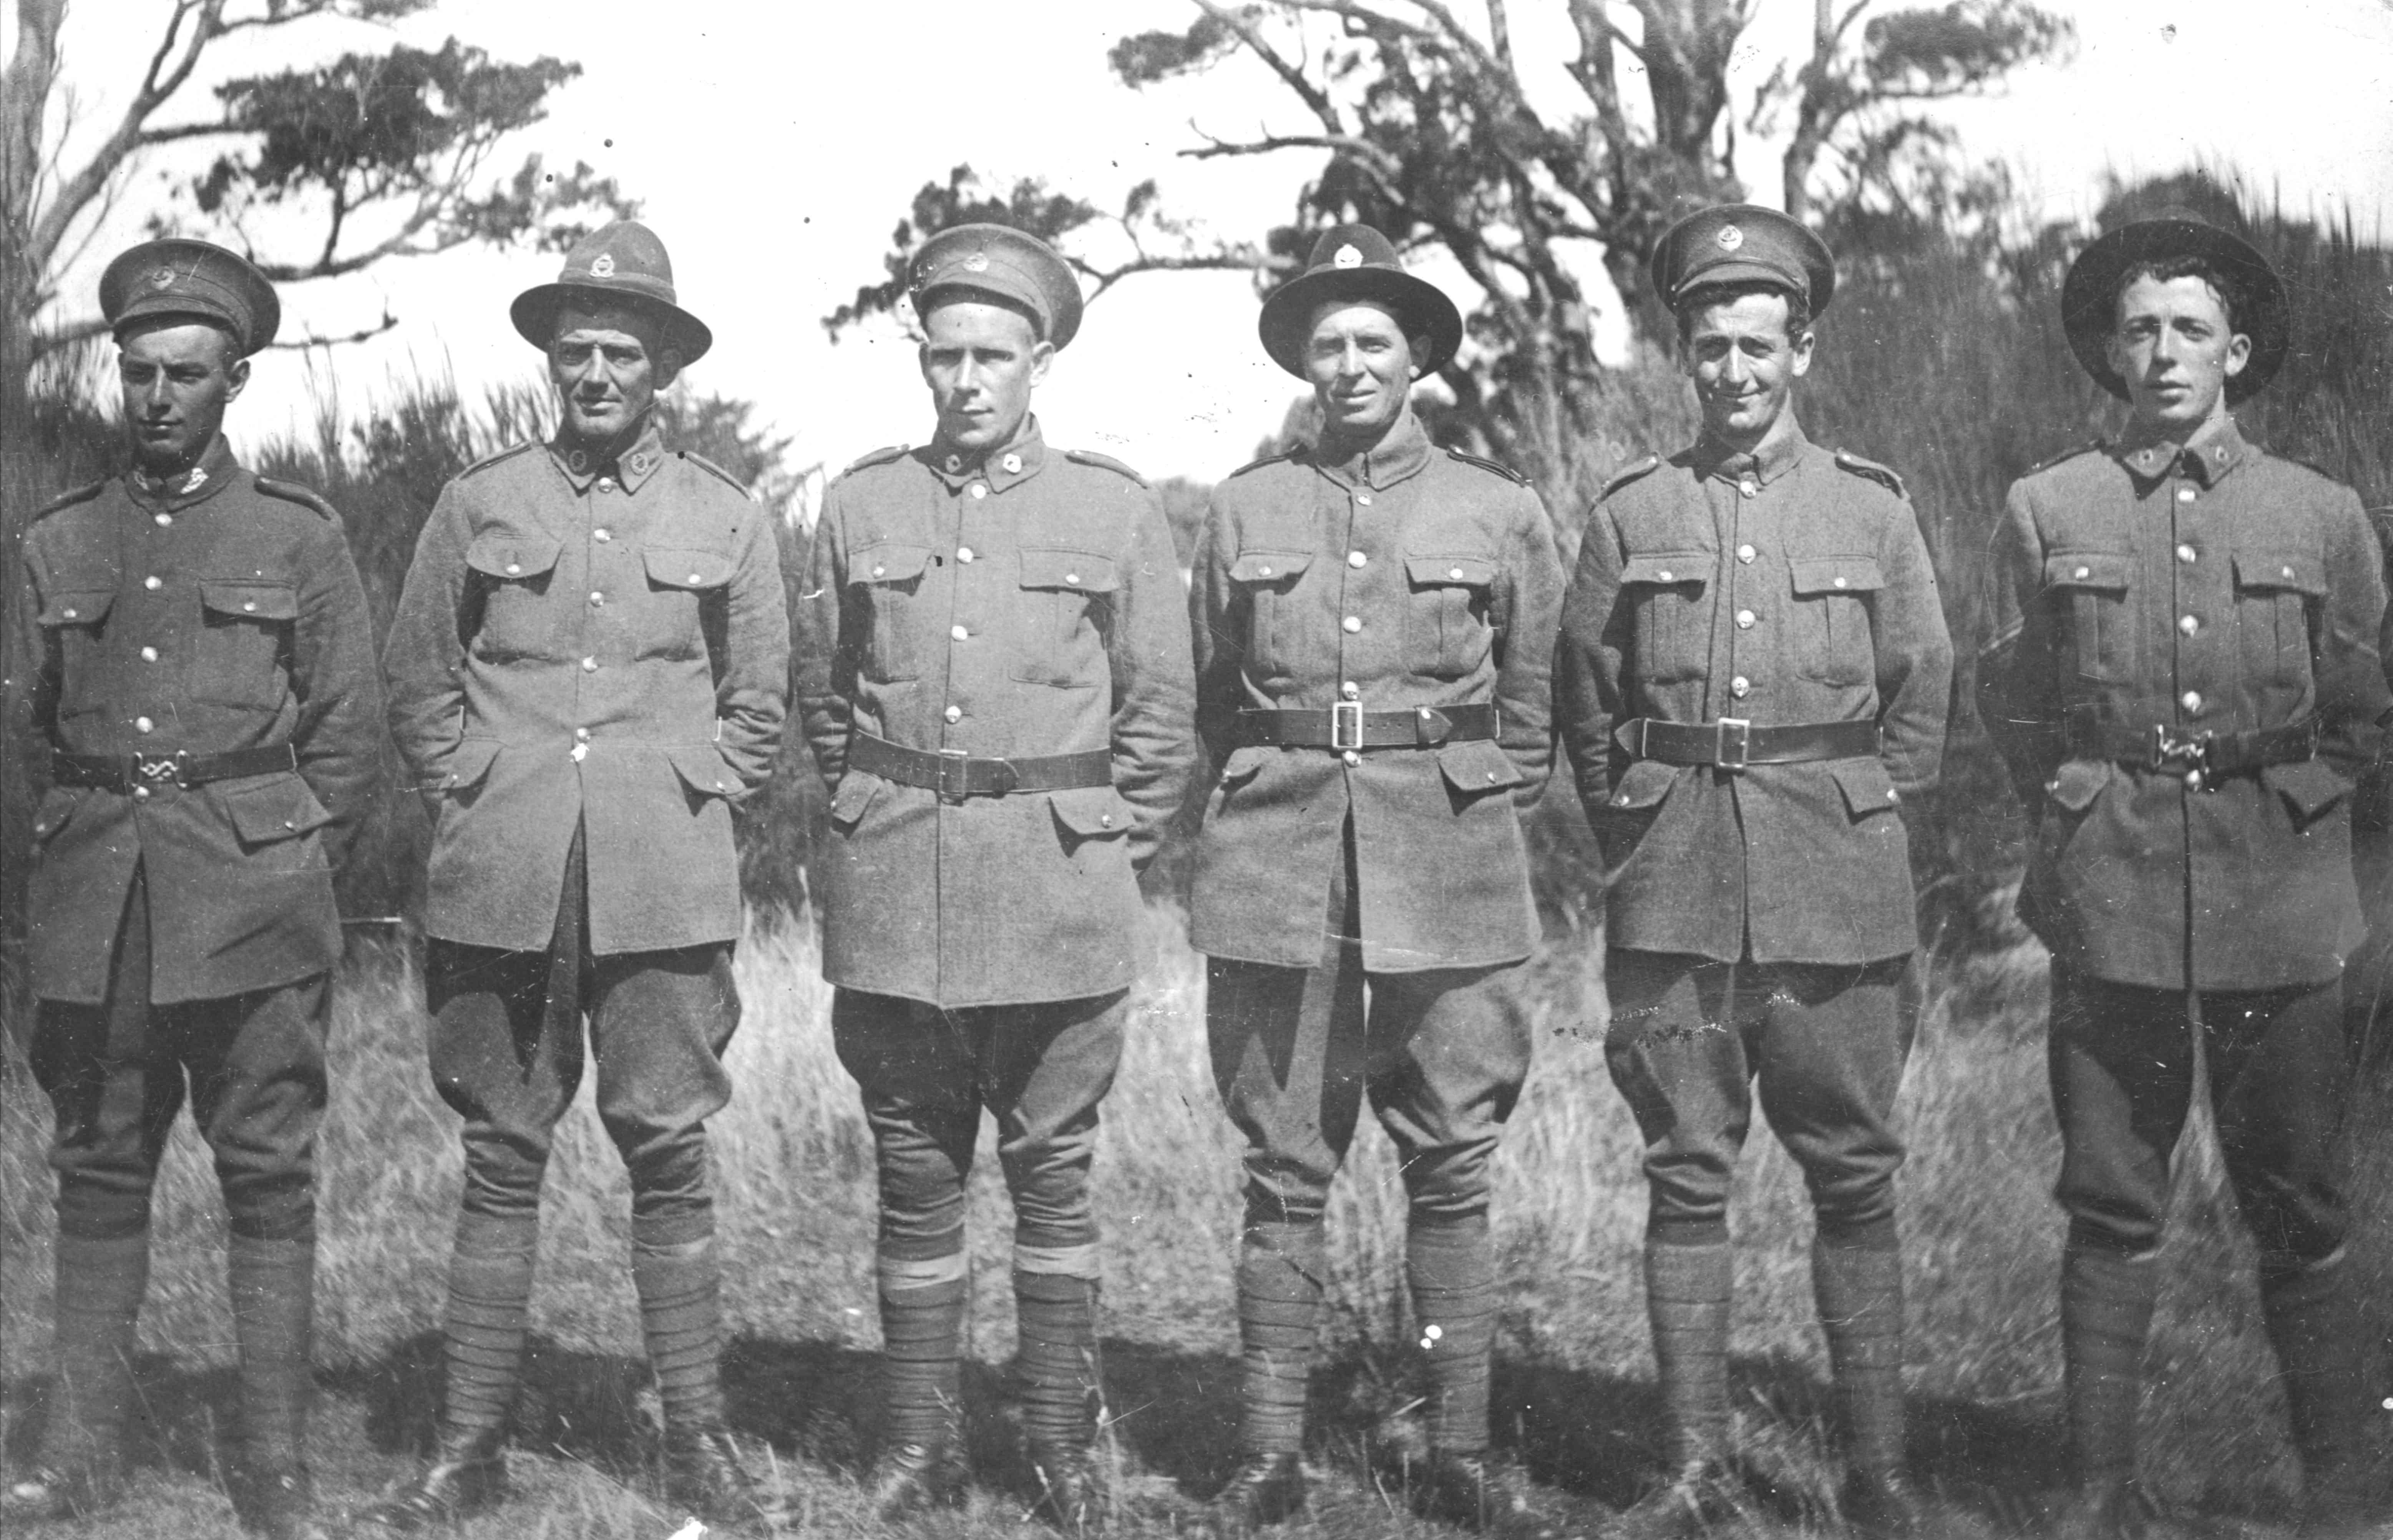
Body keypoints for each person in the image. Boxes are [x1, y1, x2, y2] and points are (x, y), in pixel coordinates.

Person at [368, 222, 788, 1530]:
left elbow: (762, 704)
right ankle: (467, 1448)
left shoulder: (725, 512)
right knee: (501, 1148)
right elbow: (416, 679)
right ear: (551, 362)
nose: (596, 372)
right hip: (507, 879)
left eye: (621, 351)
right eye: (576, 352)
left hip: (661, 879)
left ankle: (697, 1446)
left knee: (667, 1147)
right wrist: (479, 794)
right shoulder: (480, 501)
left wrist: (688, 796)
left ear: (661, 361)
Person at [1978, 213, 2390, 1540]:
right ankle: (2098, 1494)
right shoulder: (2048, 507)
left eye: (2190, 329)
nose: (2163, 352)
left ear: (2238, 351)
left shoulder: (2319, 514)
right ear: (2108, 347)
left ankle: (2338, 1495)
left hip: (2281, 900)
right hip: (2111, 901)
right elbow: (2015, 699)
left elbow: (2364, 707)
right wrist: (2075, 801)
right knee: (2110, 1199)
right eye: (2140, 328)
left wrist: (2300, 801)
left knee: (2302, 1201)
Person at [1553, 205, 1951, 1539]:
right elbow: (1589, 699)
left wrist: (1862, 812)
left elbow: (1921, 686)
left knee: (1853, 1172)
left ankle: (1878, 1475)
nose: (1732, 371)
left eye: (1756, 345)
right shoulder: (1630, 513)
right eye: (1709, 346)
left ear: (1804, 350)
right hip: (1672, 905)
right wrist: (1643, 827)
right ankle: (1692, 1472)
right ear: (1684, 354)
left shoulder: (1868, 507)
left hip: (1834, 895)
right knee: (1683, 1164)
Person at [793, 222, 1195, 1529]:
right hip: (898, 895)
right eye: (946, 356)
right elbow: (823, 694)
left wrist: (1092, 845)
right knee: (913, 1172)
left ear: (1038, 363)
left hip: (1056, 898)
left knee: (1051, 1172)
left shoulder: (1111, 509)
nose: (967, 381)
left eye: (993, 356)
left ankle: (1059, 1446)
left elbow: (1159, 717)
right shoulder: (857, 504)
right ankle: (916, 1444)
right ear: (921, 359)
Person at [0, 240, 383, 1540]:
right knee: (100, 1165)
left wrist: (278, 852)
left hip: (254, 902)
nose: (157, 397)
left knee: (266, 1169)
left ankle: (273, 1466)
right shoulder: (59, 542)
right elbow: (24, 727)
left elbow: (348, 731)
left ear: (236, 381)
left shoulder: (296, 535)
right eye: (138, 373)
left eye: (185, 375)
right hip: (97, 894)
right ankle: (82, 1451)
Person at [1185, 224, 1564, 1534]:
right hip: (1276, 861)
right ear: (1301, 361)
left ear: (1417, 364)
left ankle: (1455, 1451)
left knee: (1451, 1158)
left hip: (1448, 865)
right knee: (1284, 1161)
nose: (1347, 366)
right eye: (1326, 345)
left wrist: (1458, 811)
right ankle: (1269, 1456)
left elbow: (1531, 712)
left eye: (1373, 345)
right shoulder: (1245, 506)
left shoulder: (1498, 507)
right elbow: (1205, 697)